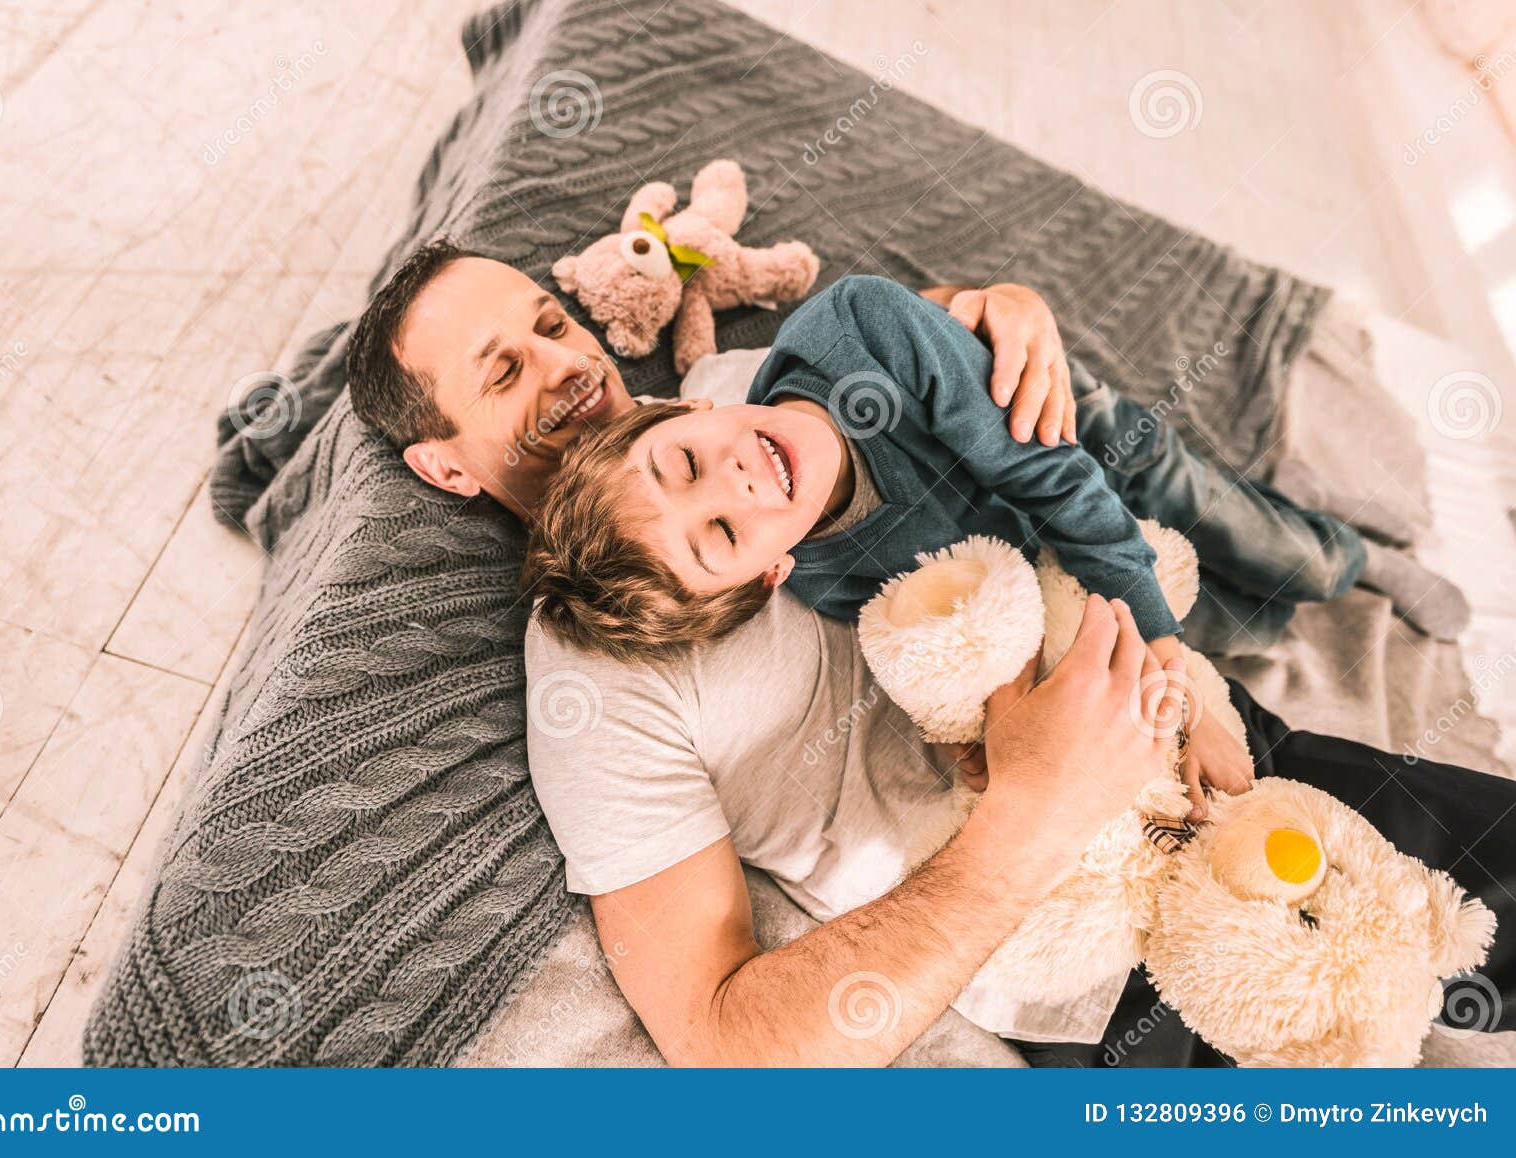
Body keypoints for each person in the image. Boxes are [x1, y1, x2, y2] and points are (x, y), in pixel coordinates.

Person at [345, 239, 1514, 1065]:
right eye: (503, 372)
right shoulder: (593, 679)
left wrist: (990, 307)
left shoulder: (729, 393)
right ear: (447, 468)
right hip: (1104, 973)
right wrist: (1031, 818)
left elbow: (912, 370)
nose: (564, 366)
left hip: (1207, 742)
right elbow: (721, 1044)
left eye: (550, 324)